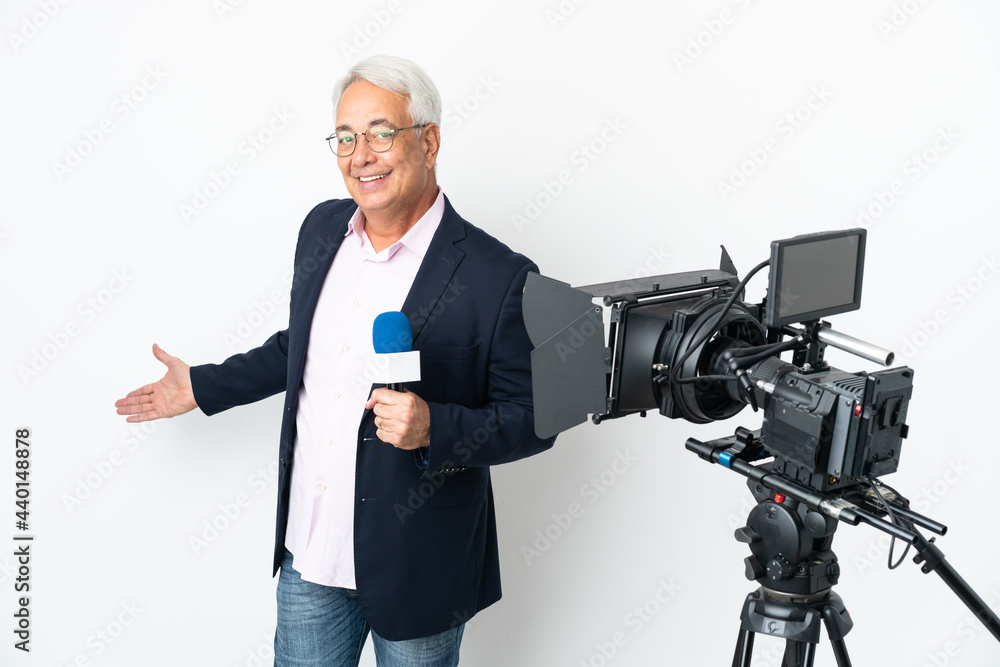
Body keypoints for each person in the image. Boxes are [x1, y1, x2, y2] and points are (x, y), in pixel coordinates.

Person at [115, 54, 555, 666]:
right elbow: (302, 347)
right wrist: (204, 386)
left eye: (380, 133)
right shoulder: (322, 230)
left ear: (428, 141)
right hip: (310, 557)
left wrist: (435, 426)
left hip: (419, 566)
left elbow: (535, 417)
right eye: (345, 138)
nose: (360, 155)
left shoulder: (499, 276)